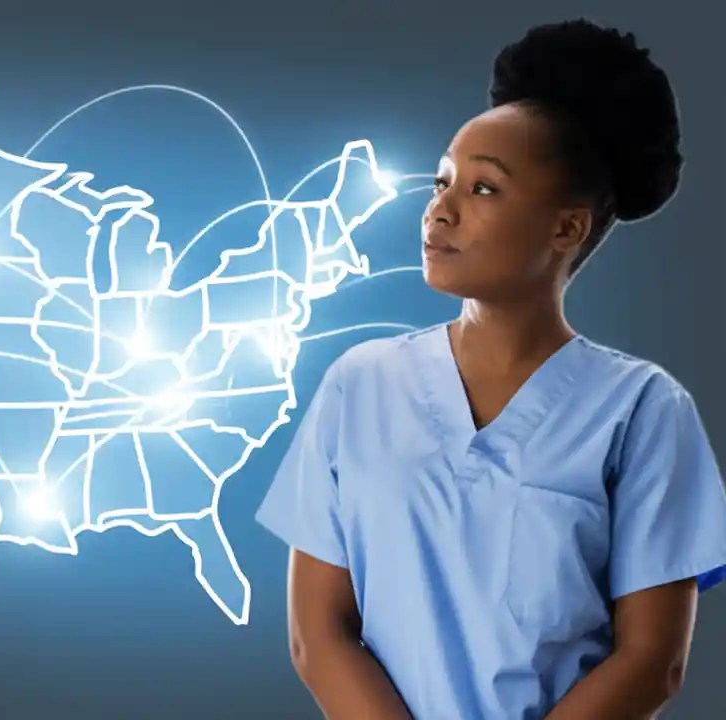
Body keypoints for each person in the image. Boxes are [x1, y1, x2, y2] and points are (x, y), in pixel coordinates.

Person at [255, 18, 726, 719]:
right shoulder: (360, 384)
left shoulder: (642, 411)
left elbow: (652, 661)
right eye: (442, 180)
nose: (439, 209)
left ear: (565, 227)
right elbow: (318, 634)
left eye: (483, 190)